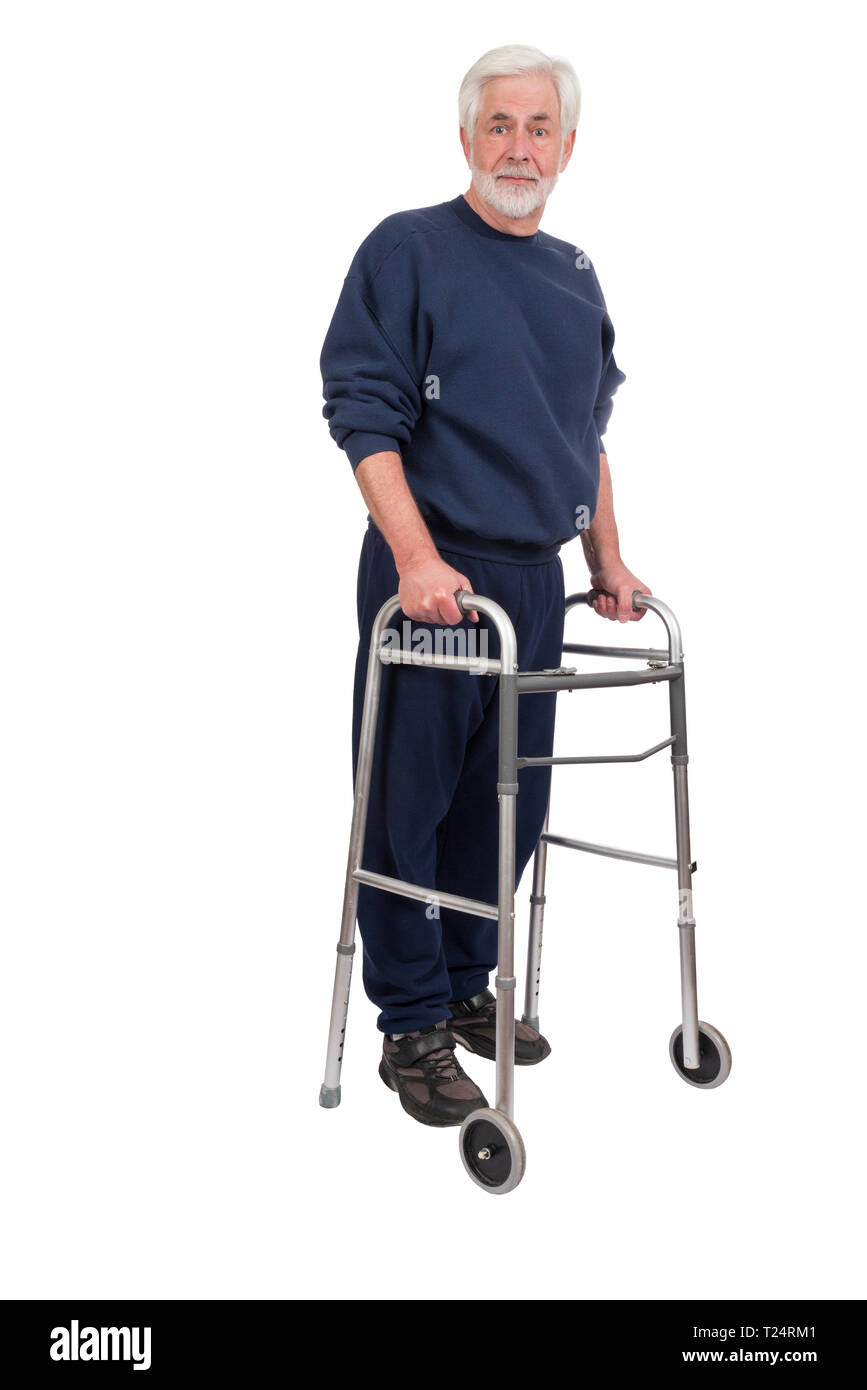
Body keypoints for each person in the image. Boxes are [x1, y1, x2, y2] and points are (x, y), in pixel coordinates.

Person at [319, 43, 651, 1129]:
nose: (519, 146)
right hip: (436, 572)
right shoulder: (409, 249)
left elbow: (586, 429)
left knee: (507, 809)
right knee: (405, 813)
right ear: (466, 137)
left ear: (567, 146)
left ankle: (467, 985)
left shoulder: (575, 275)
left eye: (539, 127)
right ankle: (409, 1023)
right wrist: (414, 558)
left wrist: (606, 554)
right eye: (499, 125)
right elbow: (364, 414)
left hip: (533, 580)